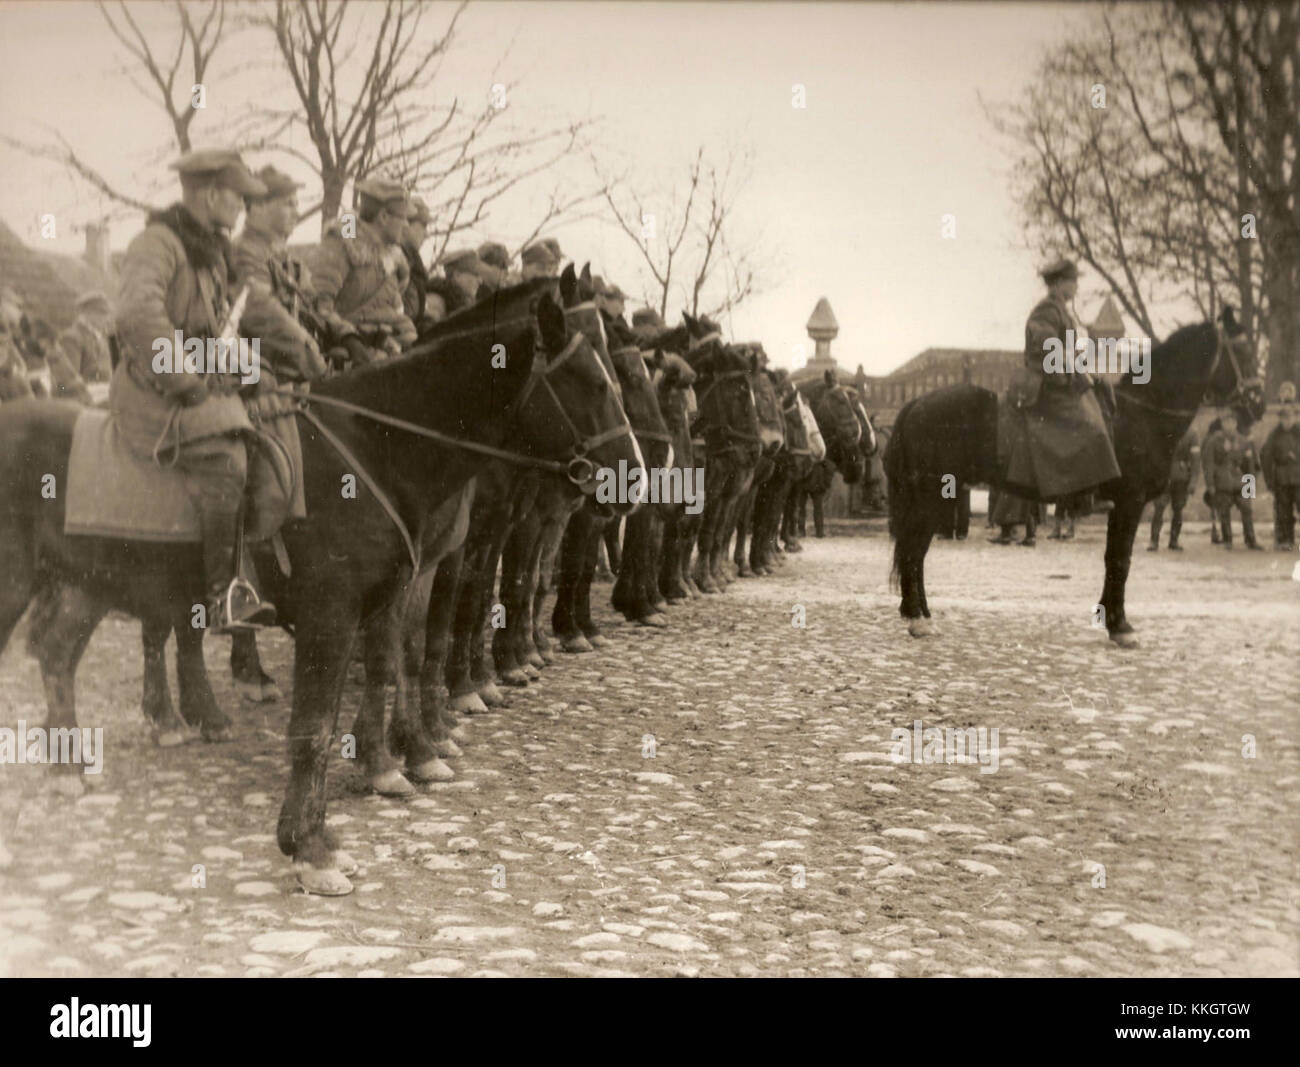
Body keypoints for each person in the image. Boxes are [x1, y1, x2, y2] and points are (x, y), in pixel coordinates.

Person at [111, 147, 276, 631]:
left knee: (270, 423)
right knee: (228, 460)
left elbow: (214, 335)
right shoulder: (158, 243)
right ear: (210, 194)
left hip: (188, 385)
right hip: (152, 391)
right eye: (237, 196)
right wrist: (185, 379)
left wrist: (255, 373)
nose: (243, 207)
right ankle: (223, 595)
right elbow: (137, 318)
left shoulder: (207, 251)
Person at [1004, 257, 1121, 503]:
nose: (1077, 287)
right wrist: (1071, 375)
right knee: (1091, 428)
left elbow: (1067, 351)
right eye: (1073, 281)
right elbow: (1047, 347)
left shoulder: (1061, 311)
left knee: (1099, 410)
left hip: (1060, 379)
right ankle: (1079, 495)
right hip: (1047, 384)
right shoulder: (1047, 310)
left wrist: (1086, 369)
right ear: (1059, 284)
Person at [307, 176, 416, 367]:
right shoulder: (341, 245)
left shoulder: (392, 257)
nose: (407, 225)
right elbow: (318, 304)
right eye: (403, 218)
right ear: (383, 217)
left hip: (389, 350)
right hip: (351, 357)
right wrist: (350, 339)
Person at [232, 164, 327, 383]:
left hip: (294, 368)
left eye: (297, 204)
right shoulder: (243, 253)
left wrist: (346, 335)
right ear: (257, 207)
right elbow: (264, 314)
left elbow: (314, 304)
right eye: (288, 204)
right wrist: (313, 357)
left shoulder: (286, 258)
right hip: (263, 376)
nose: (298, 212)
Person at [1203, 408, 1262, 549]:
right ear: (1222, 424)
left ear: (1235, 423)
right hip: (1222, 482)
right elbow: (1208, 464)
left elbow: (1250, 465)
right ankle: (1227, 540)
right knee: (1224, 511)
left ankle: (1250, 540)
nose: (1229, 425)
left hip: (1241, 482)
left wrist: (1250, 486)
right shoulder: (1214, 441)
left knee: (1247, 510)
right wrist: (1210, 484)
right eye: (1225, 422)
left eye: (1231, 422)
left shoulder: (1243, 441)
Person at [1260, 381, 1299, 550]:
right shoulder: (1275, 435)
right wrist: (1270, 481)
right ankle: (1285, 540)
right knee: (1283, 510)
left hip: (1299, 477)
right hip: (1282, 478)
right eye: (1284, 418)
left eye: (1290, 417)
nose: (1287, 421)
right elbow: (1265, 456)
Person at [1148, 426, 1198, 551]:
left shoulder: (1191, 433)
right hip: (1163, 476)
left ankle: (1174, 540)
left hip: (1181, 477)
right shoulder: (1163, 427)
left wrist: (1193, 481)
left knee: (1178, 508)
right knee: (1159, 507)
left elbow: (1195, 460)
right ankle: (1154, 541)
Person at [55, 291, 114, 390]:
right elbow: (69, 379)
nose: (107, 319)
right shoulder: (71, 338)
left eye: (107, 314)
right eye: (102, 313)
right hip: (86, 395)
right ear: (87, 313)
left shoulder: (102, 337)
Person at [399, 196, 435, 335]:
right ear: (406, 224)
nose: (426, 234)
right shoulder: (390, 260)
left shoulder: (413, 264)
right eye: (423, 226)